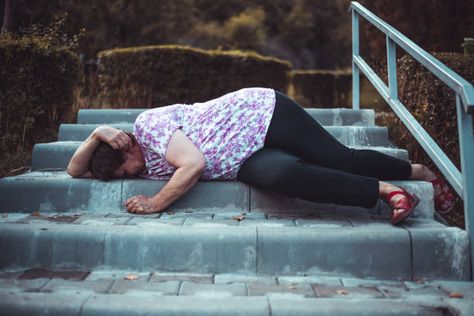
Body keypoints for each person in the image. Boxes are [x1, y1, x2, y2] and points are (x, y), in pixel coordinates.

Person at [67, 87, 457, 224]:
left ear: (129, 147)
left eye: (124, 173)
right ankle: (385, 190)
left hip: (262, 116)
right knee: (283, 180)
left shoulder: (149, 126)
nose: (129, 178)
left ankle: (419, 171)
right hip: (244, 162)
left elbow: (194, 164)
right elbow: (73, 170)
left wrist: (156, 203)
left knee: (341, 158)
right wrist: (98, 132)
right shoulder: (128, 153)